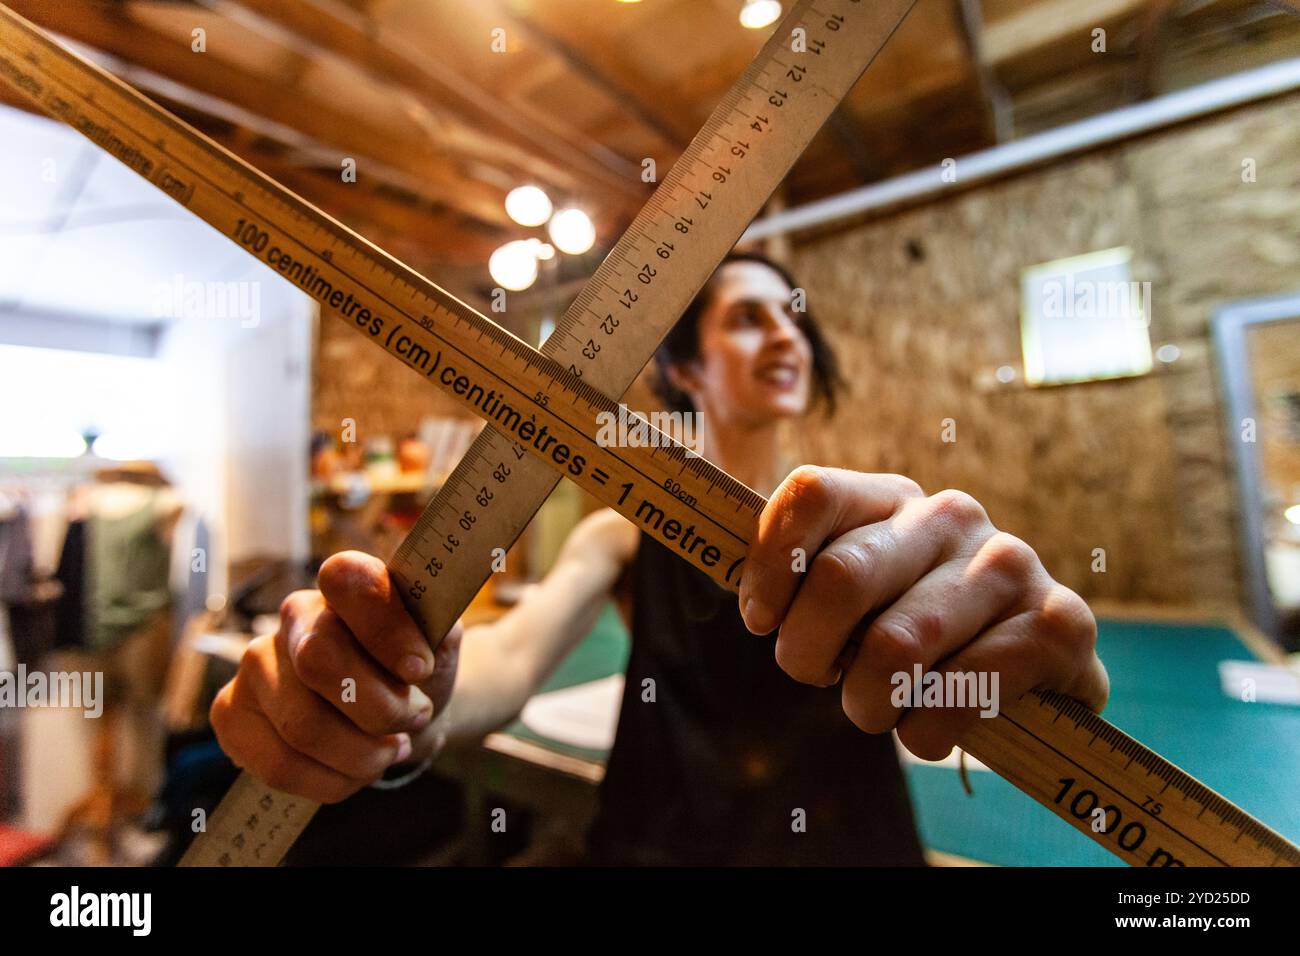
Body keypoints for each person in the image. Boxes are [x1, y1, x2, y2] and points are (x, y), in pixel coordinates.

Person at [211, 251, 1109, 865]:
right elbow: (507, 658)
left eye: (792, 320)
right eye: (747, 320)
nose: (785, 337)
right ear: (685, 369)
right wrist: (410, 693)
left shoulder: (874, 537)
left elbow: (971, 677)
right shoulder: (623, 533)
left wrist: (1018, 666)